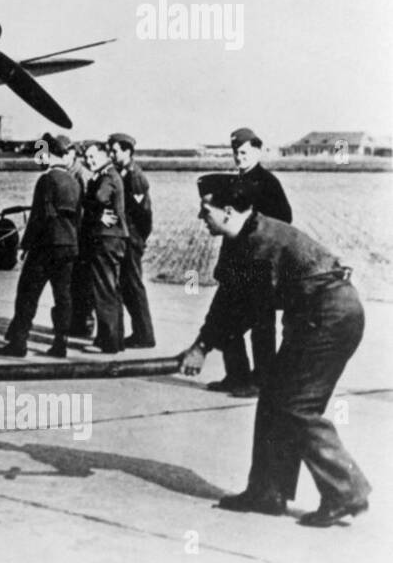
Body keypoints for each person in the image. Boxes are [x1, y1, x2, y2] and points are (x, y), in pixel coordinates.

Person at [178, 174, 370, 527]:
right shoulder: (242, 239)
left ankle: (347, 490)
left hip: (328, 315)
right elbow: (227, 299)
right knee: (273, 399)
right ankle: (268, 492)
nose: (200, 216)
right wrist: (201, 345)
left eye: (206, 209)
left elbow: (246, 309)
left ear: (229, 211)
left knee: (297, 406)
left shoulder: (260, 245)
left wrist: (203, 347)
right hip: (317, 314)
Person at [209, 127, 293, 396]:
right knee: (227, 325)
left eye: (244, 152)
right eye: (235, 152)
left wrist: (254, 220)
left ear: (257, 151)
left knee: (261, 327)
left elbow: (284, 219)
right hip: (235, 265)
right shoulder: (234, 182)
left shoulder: (268, 183)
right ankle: (236, 376)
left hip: (258, 266)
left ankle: (261, 382)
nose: (239, 157)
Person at [0, 133, 81, 358]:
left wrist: (26, 245)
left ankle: (19, 343)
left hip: (46, 246)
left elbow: (39, 216)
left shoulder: (46, 180)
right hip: (68, 245)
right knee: (63, 297)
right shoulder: (74, 181)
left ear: (50, 154)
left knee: (27, 295)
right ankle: (60, 343)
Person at [108, 133, 156, 348]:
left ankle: (145, 335)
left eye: (115, 150)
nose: (111, 154)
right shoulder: (122, 173)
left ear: (127, 152)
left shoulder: (135, 176)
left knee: (133, 286)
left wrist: (137, 240)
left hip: (131, 240)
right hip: (127, 237)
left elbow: (144, 215)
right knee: (127, 286)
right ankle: (140, 333)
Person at [80, 140, 128, 353]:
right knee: (111, 290)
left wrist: (90, 208)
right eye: (87, 158)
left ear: (104, 155)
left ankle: (108, 342)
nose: (89, 162)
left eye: (93, 157)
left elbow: (99, 197)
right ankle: (114, 340)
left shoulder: (107, 176)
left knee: (104, 290)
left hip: (105, 239)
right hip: (113, 239)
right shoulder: (109, 173)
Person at [64, 141, 95, 340]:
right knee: (73, 283)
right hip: (74, 237)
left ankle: (85, 324)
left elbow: (88, 211)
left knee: (83, 283)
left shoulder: (81, 175)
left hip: (82, 238)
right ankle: (77, 323)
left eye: (64, 154)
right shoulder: (70, 174)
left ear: (73, 154)